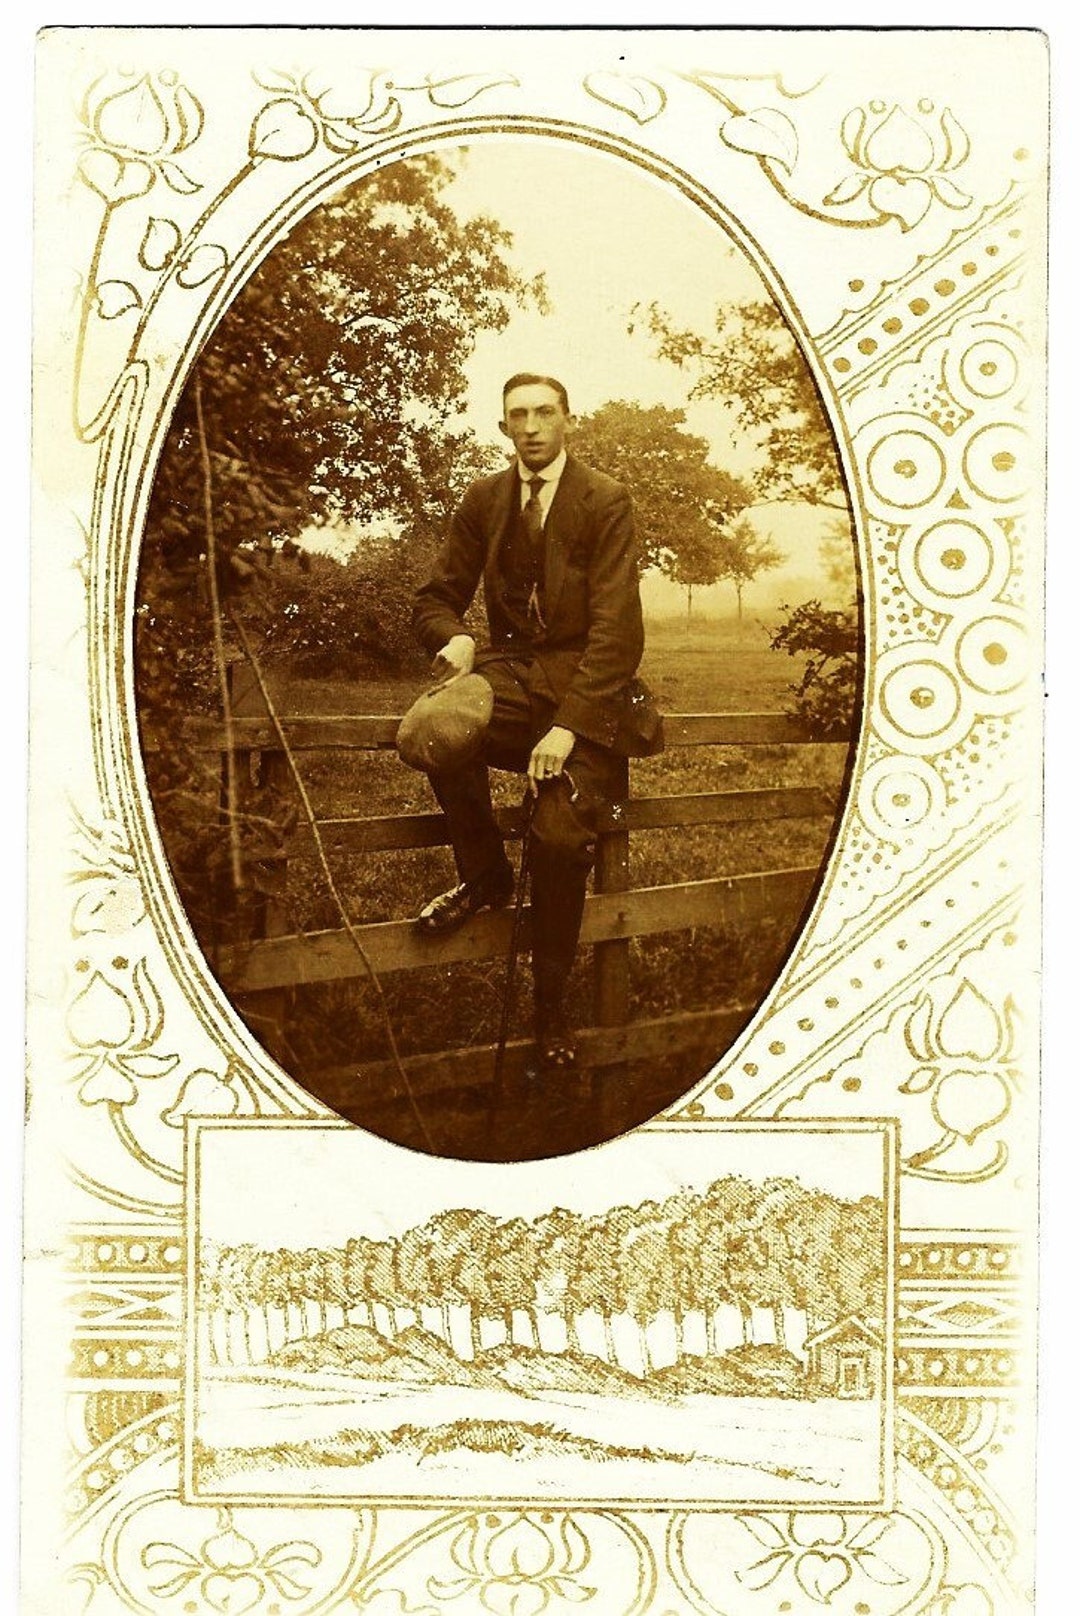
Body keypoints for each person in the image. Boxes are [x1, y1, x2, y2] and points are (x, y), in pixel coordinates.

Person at [406, 373, 662, 1072]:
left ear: (568, 420)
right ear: (503, 428)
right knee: (433, 730)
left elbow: (619, 633)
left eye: (545, 412)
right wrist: (451, 637)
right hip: (515, 681)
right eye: (517, 414)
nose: (531, 426)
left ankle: (550, 1014)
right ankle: (484, 875)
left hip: (589, 693)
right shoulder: (485, 500)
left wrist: (568, 729)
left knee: (554, 842)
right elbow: (435, 597)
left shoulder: (605, 500)